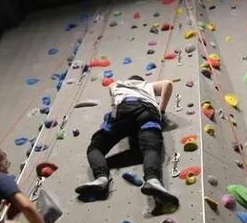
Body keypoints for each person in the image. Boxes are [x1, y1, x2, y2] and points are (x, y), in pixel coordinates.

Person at [75, 75, 178, 207]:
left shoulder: (116, 84)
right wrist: (161, 111)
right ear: (141, 80)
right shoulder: (147, 85)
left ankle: (101, 178)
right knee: (150, 149)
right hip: (145, 111)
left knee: (95, 148)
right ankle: (153, 180)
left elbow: (113, 101)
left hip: (121, 112)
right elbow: (168, 83)